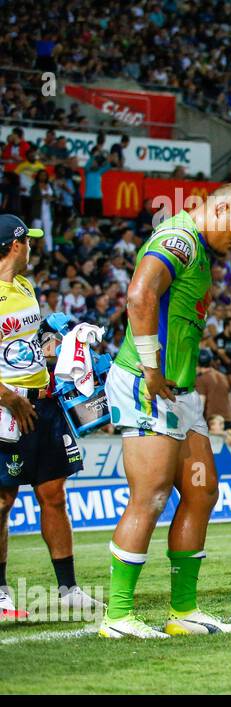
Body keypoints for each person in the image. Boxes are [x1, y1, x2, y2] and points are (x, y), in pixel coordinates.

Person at [99, 187, 231, 638]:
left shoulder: (203, 252)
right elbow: (139, 295)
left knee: (203, 493)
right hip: (148, 384)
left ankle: (183, 611)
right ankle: (119, 616)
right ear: (221, 209)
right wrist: (150, 365)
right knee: (150, 495)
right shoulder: (180, 239)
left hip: (180, 395)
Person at [0, 216, 100, 622]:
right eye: (28, 243)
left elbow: (27, 347)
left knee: (54, 495)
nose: (33, 250)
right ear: (13, 245)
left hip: (43, 404)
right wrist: (9, 397)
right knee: (3, 501)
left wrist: (73, 355)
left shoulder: (25, 286)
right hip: (8, 409)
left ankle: (69, 589)